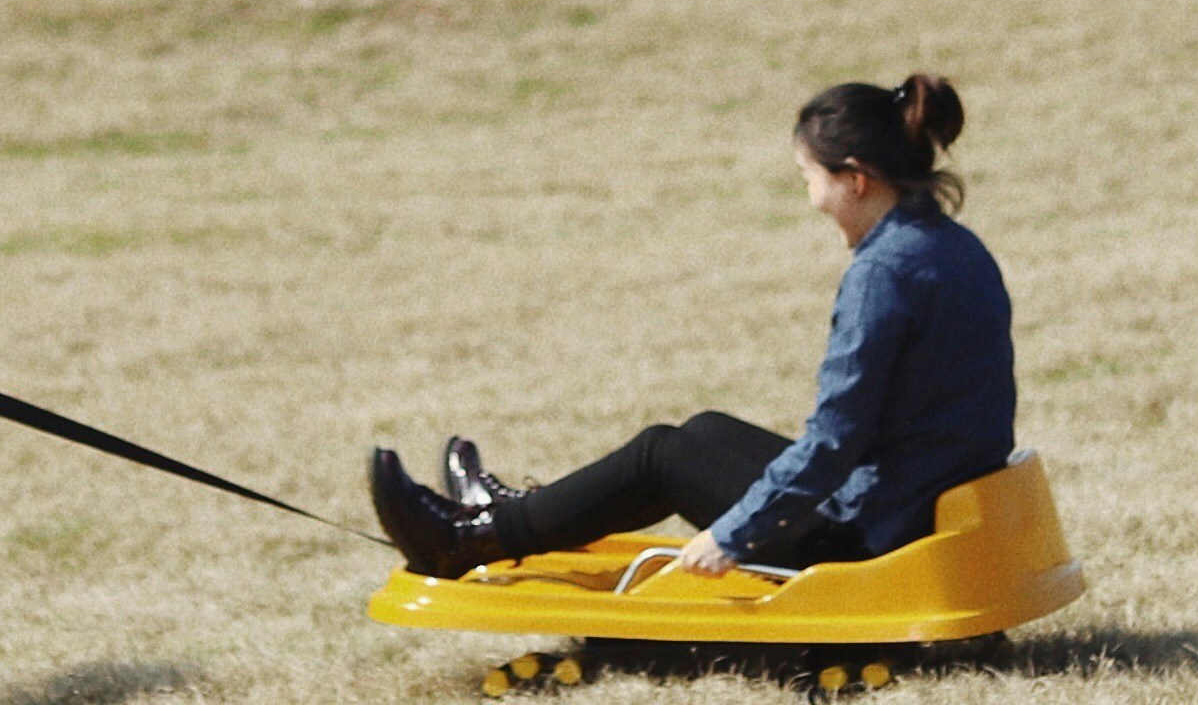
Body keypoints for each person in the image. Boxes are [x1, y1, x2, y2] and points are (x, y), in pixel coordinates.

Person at [372, 74, 1013, 581]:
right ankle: (506, 515)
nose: (810, 197)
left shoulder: (884, 274)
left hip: (872, 535)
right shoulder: (950, 244)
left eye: (810, 179)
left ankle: (467, 539)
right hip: (923, 501)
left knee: (661, 454)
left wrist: (736, 533)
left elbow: (834, 442)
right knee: (702, 432)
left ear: (854, 178)